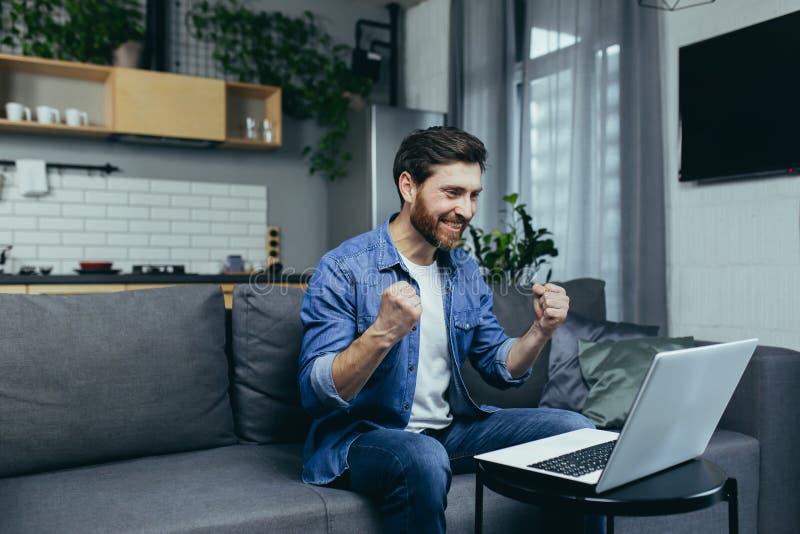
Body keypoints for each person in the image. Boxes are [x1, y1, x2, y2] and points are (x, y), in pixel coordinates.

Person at [298, 126, 597, 533]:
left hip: (448, 434)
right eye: (452, 192)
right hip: (362, 438)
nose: (468, 210)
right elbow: (316, 392)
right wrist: (383, 332)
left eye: (473, 195)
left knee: (578, 432)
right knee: (420, 455)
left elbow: (498, 365)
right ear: (408, 186)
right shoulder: (345, 268)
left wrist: (541, 330)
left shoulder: (464, 270)